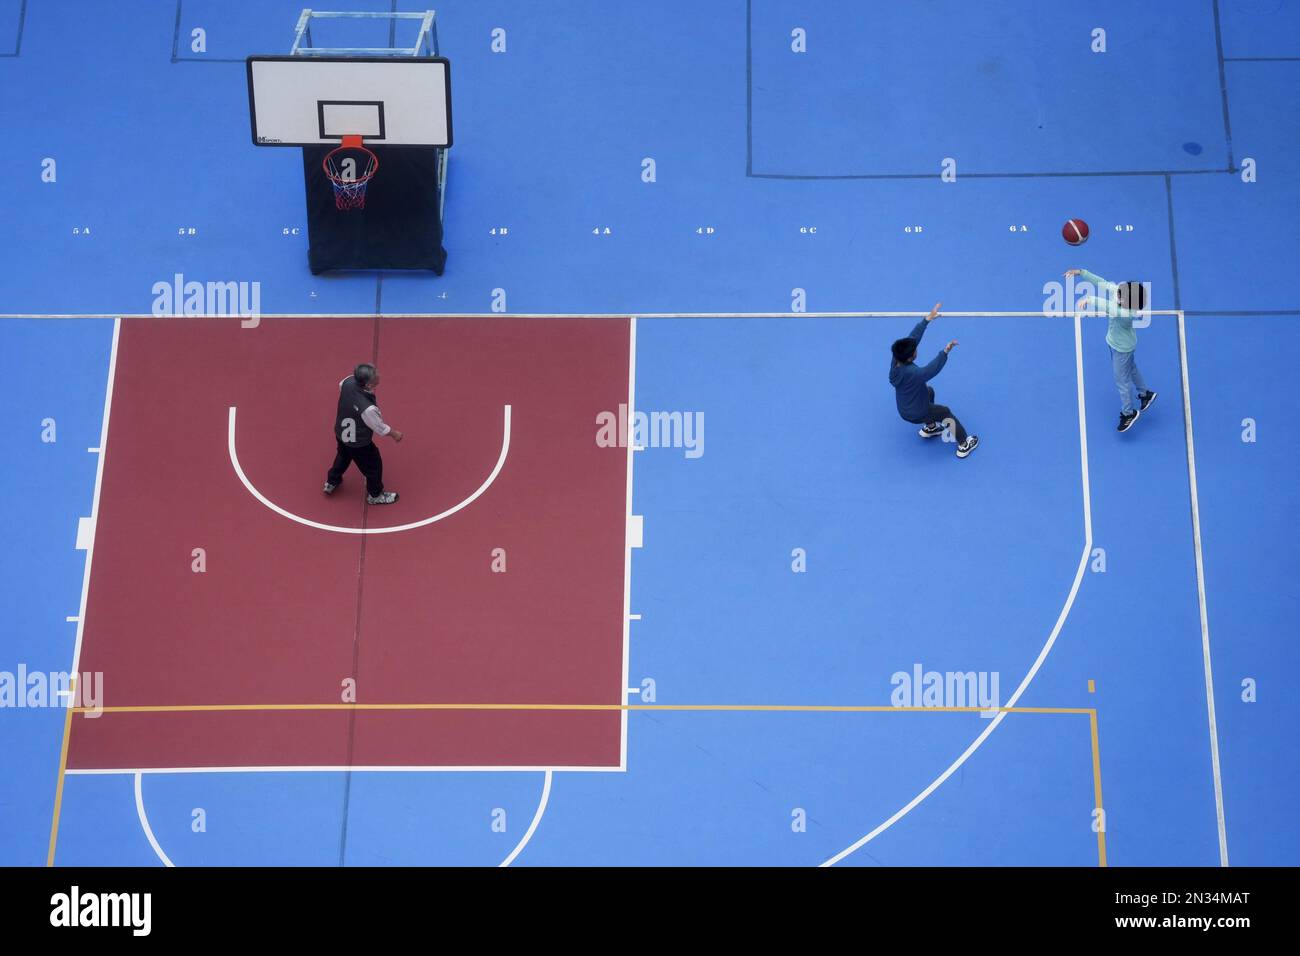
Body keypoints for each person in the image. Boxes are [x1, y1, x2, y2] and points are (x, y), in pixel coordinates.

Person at [1066, 269, 1157, 432]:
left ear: (1128, 302)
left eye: (1121, 296)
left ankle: (1128, 413)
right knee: (1132, 369)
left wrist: (1089, 298)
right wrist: (1082, 273)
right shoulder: (1123, 295)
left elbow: (1107, 306)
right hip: (1117, 344)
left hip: (1122, 349)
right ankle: (1145, 394)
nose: (1118, 295)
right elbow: (1103, 283)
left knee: (1122, 382)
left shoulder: (1124, 313)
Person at [889, 302, 979, 458]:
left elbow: (911, 339)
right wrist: (945, 352)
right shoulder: (914, 373)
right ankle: (964, 444)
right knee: (944, 412)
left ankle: (930, 427)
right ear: (911, 357)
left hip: (903, 409)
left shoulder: (896, 361)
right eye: (915, 350)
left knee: (929, 391)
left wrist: (927, 319)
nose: (916, 348)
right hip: (917, 413)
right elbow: (932, 369)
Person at [324, 363, 404, 504]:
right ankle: (375, 495)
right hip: (359, 443)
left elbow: (342, 388)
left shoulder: (347, 382)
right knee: (374, 465)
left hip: (341, 432)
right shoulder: (368, 409)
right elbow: (379, 427)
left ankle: (332, 480)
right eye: (375, 376)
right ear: (368, 385)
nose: (378, 374)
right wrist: (395, 434)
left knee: (343, 455)